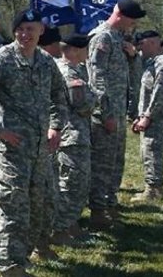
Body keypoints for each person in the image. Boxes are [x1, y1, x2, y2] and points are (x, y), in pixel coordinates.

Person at [0, 9, 69, 272]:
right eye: (20, 29)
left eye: (31, 29)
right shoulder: (1, 59)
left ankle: (24, 254)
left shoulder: (46, 61)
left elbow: (60, 96)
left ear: (41, 31)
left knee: (40, 206)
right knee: (13, 206)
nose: (25, 34)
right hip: (10, 149)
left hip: (39, 150)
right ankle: (9, 264)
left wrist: (56, 127)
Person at [87, 0, 145, 229]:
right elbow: (96, 78)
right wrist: (105, 112)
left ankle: (110, 204)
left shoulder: (119, 39)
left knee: (115, 162)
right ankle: (98, 211)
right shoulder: (102, 37)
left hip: (118, 110)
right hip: (106, 114)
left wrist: (133, 56)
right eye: (132, 18)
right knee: (102, 163)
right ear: (120, 15)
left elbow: (134, 76)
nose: (134, 23)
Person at [50, 34, 97, 245]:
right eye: (86, 49)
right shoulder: (69, 73)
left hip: (70, 135)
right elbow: (83, 105)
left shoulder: (68, 69)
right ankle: (60, 231)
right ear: (76, 50)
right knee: (71, 185)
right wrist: (94, 97)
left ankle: (70, 225)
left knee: (73, 184)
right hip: (71, 137)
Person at [130, 31, 163, 203]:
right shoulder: (152, 63)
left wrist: (148, 116)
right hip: (150, 115)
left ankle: (154, 190)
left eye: (142, 45)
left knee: (152, 151)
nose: (140, 49)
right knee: (147, 151)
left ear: (151, 43)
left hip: (157, 116)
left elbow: (160, 92)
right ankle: (153, 187)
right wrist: (141, 115)